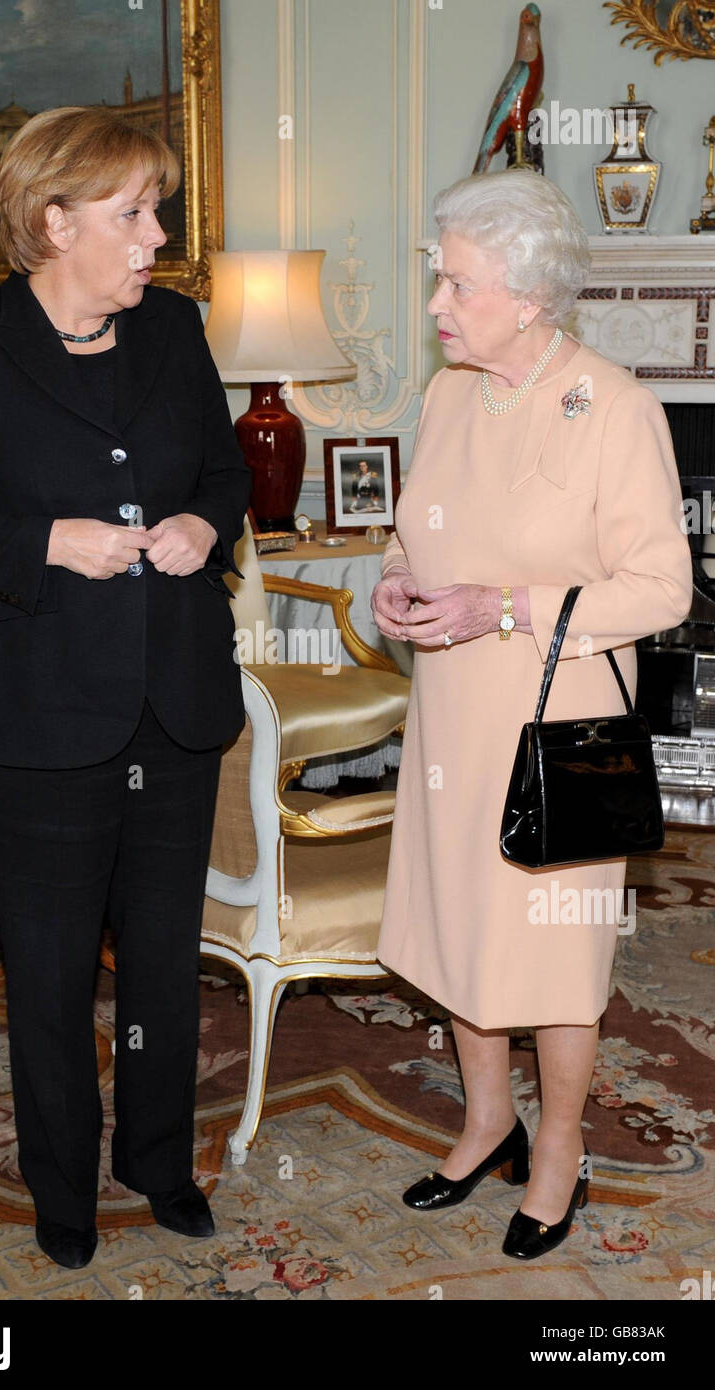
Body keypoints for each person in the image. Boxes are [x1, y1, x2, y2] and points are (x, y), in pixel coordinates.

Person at [0, 106, 251, 1270]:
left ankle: (159, 1161)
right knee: (46, 971)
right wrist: (45, 542)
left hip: (174, 701)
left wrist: (203, 523)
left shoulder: (173, 326)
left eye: (159, 210)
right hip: (37, 713)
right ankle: (63, 1189)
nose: (158, 236)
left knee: (162, 958)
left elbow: (224, 471)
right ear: (55, 222)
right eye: (134, 212)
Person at [370, 170, 692, 1261]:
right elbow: (415, 534)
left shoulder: (615, 406)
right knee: (464, 927)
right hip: (451, 713)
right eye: (438, 279)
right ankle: (485, 1122)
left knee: (551, 952)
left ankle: (559, 1146)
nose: (436, 304)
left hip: (559, 726)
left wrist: (503, 605)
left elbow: (662, 590)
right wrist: (394, 583)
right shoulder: (448, 395)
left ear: (529, 295)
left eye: (457, 284)